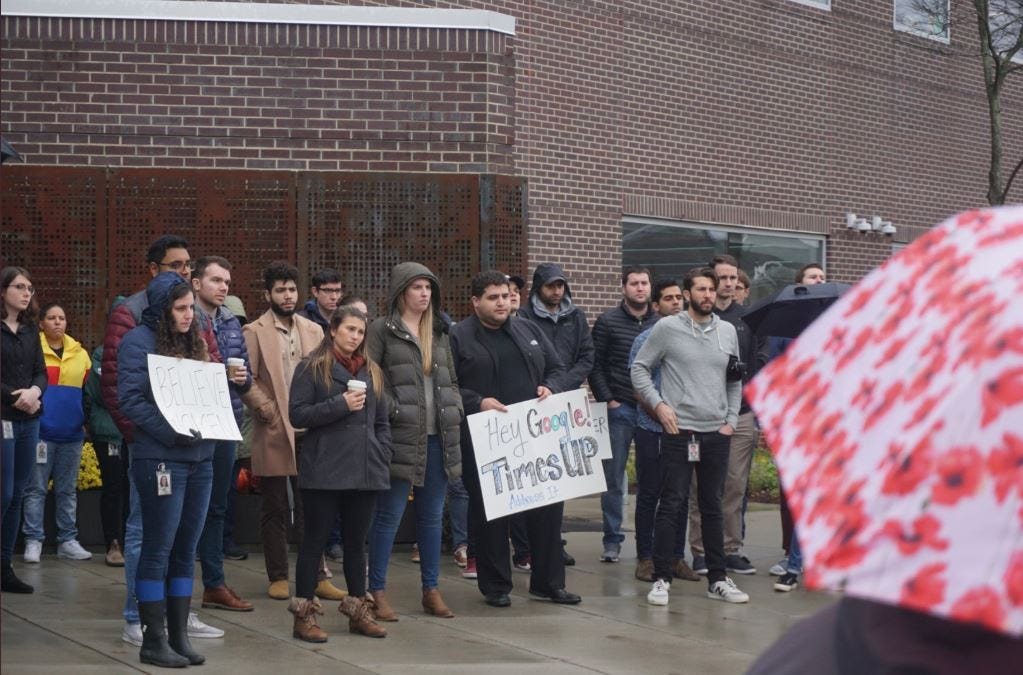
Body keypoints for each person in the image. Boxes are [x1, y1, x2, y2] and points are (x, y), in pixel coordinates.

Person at [100, 235, 224, 646]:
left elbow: (210, 388)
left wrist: (230, 396)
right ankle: (150, 633)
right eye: (182, 308)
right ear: (162, 308)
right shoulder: (138, 339)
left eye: (192, 307)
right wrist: (169, 431)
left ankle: (178, 633)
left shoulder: (196, 339)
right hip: (161, 456)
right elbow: (127, 398)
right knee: (156, 545)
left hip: (200, 455)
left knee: (185, 548)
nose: (191, 315)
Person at [450, 270, 580, 608]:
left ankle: (548, 583)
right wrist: (477, 401)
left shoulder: (528, 328)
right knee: (492, 515)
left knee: (548, 511)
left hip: (536, 436)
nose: (502, 303)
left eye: (506, 296)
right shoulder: (458, 337)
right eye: (493, 297)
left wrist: (551, 386)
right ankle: (496, 586)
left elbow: (557, 368)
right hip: (487, 439)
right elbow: (446, 386)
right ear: (476, 301)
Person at [632, 267, 750, 606]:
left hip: (716, 431)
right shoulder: (667, 328)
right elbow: (639, 369)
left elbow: (734, 377)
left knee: (712, 505)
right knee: (672, 503)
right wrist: (659, 406)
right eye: (701, 289)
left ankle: (717, 578)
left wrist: (730, 419)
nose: (709, 295)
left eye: (712, 289)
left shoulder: (727, 331)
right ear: (687, 294)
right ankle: (661, 578)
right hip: (678, 430)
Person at [242, 261, 345, 601]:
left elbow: (325, 373)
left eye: (291, 290)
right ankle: (278, 575)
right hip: (274, 429)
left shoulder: (313, 329)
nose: (287, 296)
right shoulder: (255, 331)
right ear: (267, 293)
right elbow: (247, 378)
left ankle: (315, 575)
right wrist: (267, 408)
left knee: (312, 506)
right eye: (280, 290)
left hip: (311, 428)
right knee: (274, 506)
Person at [287, 305, 391, 641]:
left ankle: (358, 610)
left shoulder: (372, 370)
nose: (355, 337)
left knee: (356, 544)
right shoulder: (312, 367)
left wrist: (381, 450)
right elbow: (298, 414)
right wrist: (340, 405)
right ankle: (304, 616)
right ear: (333, 329)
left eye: (360, 332)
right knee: (314, 542)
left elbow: (382, 420)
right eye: (349, 329)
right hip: (324, 470)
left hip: (365, 469)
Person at [366, 262, 463, 621]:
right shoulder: (381, 329)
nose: (424, 294)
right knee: (388, 516)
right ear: (401, 291)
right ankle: (376, 590)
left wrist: (454, 411)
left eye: (428, 288)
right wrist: (394, 412)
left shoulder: (438, 330)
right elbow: (371, 378)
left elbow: (451, 379)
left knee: (432, 517)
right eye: (418, 287)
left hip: (439, 436)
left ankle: (431, 590)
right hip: (400, 436)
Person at [687, 255, 763, 577]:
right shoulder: (697, 319)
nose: (730, 284)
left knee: (734, 486)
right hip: (702, 416)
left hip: (741, 415)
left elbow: (759, 359)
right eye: (723, 278)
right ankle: (702, 551)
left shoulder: (749, 318)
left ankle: (731, 549)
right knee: (699, 487)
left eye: (734, 278)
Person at [518, 262, 594, 567]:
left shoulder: (576, 317)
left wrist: (560, 383)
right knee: (529, 479)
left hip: (565, 401)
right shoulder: (523, 317)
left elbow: (587, 356)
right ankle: (525, 546)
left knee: (557, 478)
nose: (556, 291)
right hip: (533, 401)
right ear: (538, 287)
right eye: (551, 285)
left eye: (560, 285)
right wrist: (543, 386)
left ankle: (553, 542)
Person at [190, 256, 254, 612]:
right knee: (189, 507)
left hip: (226, 420)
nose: (223, 287)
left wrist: (244, 381)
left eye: (227, 282)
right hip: (194, 424)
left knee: (217, 506)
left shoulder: (231, 322)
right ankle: (178, 584)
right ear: (197, 283)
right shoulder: (184, 317)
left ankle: (214, 583)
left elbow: (246, 373)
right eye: (216, 280)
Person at [629, 278, 698, 583]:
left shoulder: (694, 338)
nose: (675, 303)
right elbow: (639, 387)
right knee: (650, 495)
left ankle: (675, 558)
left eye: (678, 298)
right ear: (655, 306)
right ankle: (645, 558)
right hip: (652, 429)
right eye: (667, 299)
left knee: (679, 496)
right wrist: (661, 416)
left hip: (686, 431)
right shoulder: (645, 339)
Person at [590, 267, 658, 563]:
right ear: (624, 288)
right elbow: (595, 364)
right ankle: (612, 540)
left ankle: (651, 539)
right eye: (634, 283)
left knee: (652, 477)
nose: (640, 288)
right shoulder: (607, 322)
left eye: (644, 283)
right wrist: (609, 399)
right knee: (613, 478)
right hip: (619, 408)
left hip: (652, 410)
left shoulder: (662, 324)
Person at [767, 262, 827, 590]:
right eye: (812, 277)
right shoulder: (784, 331)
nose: (818, 280)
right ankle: (794, 561)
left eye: (821, 276)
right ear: (800, 285)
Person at [22, 303, 93, 563]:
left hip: (72, 433)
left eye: (61, 318)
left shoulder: (80, 354)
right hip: (40, 431)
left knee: (67, 490)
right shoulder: (32, 349)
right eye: (51, 318)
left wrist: (85, 422)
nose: (57, 322)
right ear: (41, 323)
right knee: (35, 489)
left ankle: (67, 540)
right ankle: (33, 540)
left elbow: (88, 393)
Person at [1, 267, 46, 594]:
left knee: (19, 493)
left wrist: (34, 392)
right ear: (3, 292)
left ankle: (5, 568)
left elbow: (40, 372)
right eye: (19, 287)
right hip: (4, 414)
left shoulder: (31, 330)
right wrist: (14, 396)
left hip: (29, 417)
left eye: (29, 287)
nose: (26, 292)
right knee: (3, 493)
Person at [83, 331, 127, 566]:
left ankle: (131, 541)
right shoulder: (102, 356)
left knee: (133, 488)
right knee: (114, 488)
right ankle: (113, 542)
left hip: (136, 433)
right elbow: (104, 394)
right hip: (110, 431)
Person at [220, 294, 249, 562]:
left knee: (229, 490)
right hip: (212, 425)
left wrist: (243, 379)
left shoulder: (239, 340)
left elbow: (248, 381)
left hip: (236, 424)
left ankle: (226, 539)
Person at [298, 268, 343, 332]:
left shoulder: (345, 318)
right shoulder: (302, 320)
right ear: (315, 292)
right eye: (328, 291)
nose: (334, 297)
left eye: (338, 291)